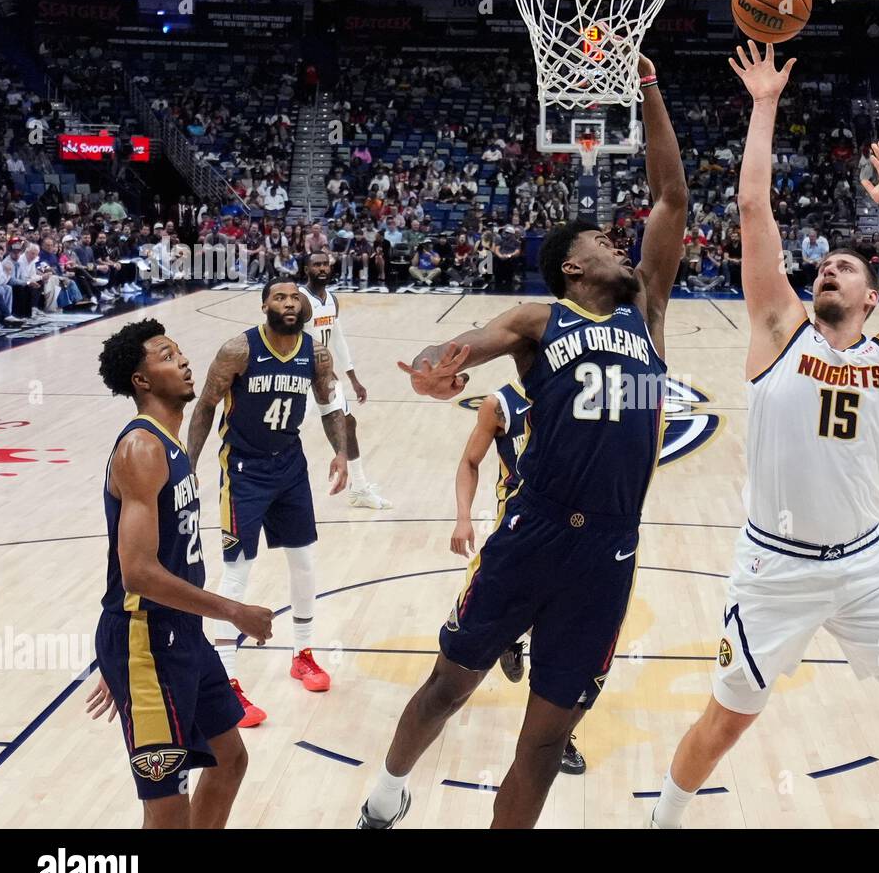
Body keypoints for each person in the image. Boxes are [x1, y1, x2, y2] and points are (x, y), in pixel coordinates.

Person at [358, 53, 686, 829]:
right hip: (531, 529)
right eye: (605, 241)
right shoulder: (542, 320)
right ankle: (385, 793)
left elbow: (673, 196)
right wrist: (439, 366)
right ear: (573, 268)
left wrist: (649, 87)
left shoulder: (651, 312)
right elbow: (475, 338)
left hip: (610, 548)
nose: (619, 245)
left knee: (545, 740)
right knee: (449, 684)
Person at [651, 43, 879, 831]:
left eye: (845, 266)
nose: (828, 269)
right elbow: (754, 210)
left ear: (870, 294)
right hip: (775, 569)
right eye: (822, 264)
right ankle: (662, 821)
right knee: (725, 726)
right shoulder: (779, 332)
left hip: (867, 568)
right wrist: (764, 104)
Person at [88, 318, 273, 828]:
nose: (184, 360)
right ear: (141, 381)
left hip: (174, 638)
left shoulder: (169, 446)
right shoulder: (142, 449)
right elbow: (138, 573)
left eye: (180, 352)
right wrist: (234, 611)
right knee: (167, 810)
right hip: (146, 639)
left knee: (230, 759)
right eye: (167, 356)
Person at [186, 279, 349, 728]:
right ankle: (226, 682)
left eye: (295, 297)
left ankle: (303, 654)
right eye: (280, 297)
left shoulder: (316, 354)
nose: (289, 303)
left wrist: (340, 452)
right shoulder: (237, 350)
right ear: (264, 306)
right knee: (238, 572)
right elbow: (204, 408)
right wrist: (188, 465)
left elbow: (330, 406)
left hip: (290, 466)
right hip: (243, 470)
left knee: (305, 563)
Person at [448, 383, 586, 775]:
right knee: (464, 641)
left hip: (575, 534)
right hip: (517, 533)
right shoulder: (500, 404)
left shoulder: (583, 395)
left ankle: (561, 738)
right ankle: (442, 698)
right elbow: (470, 461)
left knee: (569, 649)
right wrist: (462, 517)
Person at [299, 251, 392, 509]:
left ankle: (360, 488)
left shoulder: (332, 300)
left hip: (326, 376)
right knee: (285, 433)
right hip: (302, 379)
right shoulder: (300, 301)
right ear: (307, 269)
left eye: (325, 264)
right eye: (316, 264)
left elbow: (337, 340)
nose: (322, 268)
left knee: (348, 424)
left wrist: (353, 377)